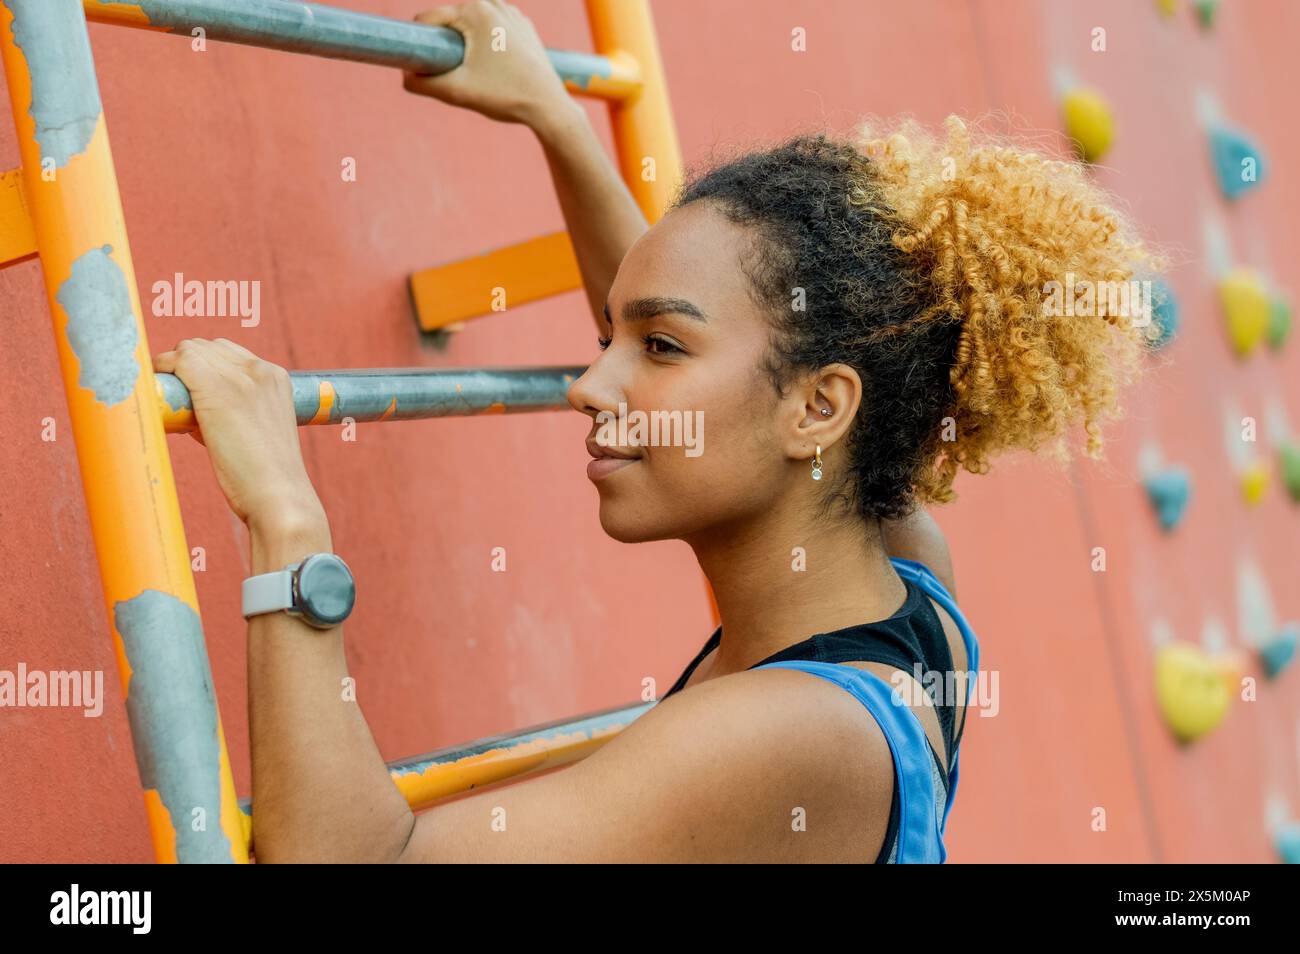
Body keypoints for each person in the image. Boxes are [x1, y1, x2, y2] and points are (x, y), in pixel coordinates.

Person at [153, 0, 1158, 862]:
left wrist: (286, 520)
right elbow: (710, 325)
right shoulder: (898, 570)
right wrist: (553, 115)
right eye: (612, 337)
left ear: (819, 408)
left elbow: (352, 859)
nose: (591, 385)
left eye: (657, 350)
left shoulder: (799, 736)